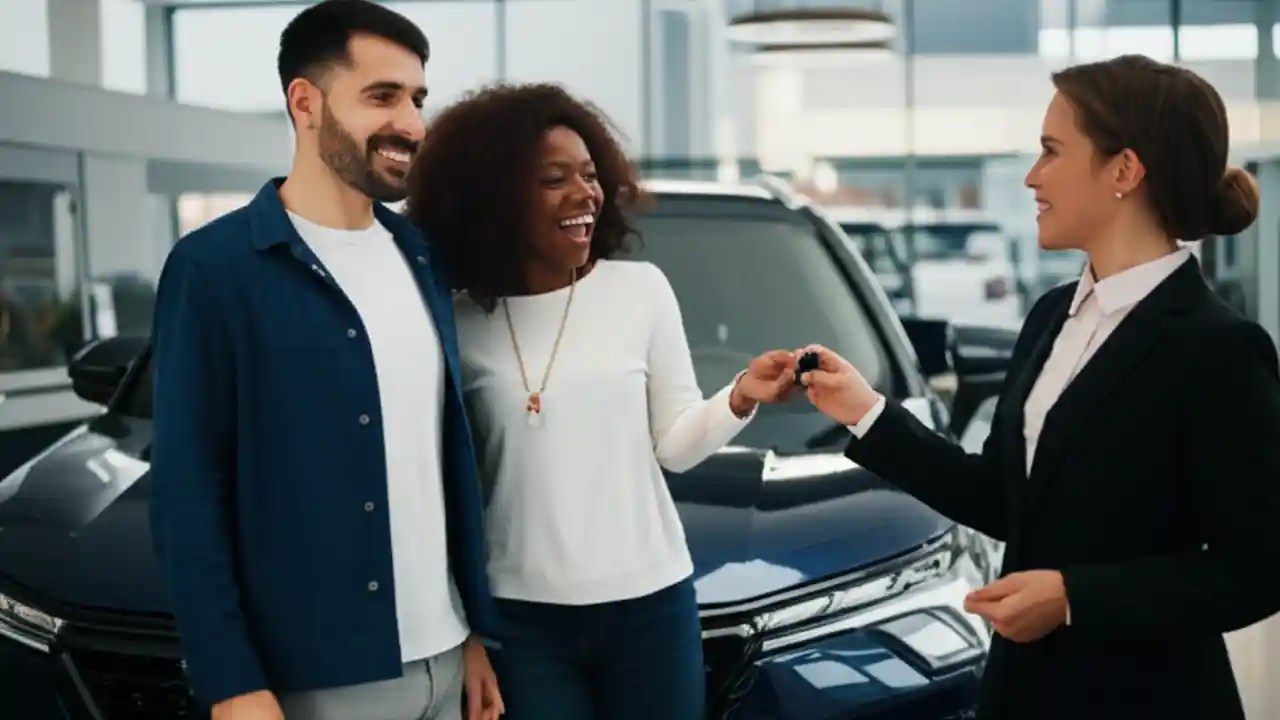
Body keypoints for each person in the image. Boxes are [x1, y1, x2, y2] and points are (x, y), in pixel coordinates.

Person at [799, 54, 1280, 720]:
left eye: (1052, 151)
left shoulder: (1218, 348)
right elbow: (1005, 497)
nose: (1032, 176)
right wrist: (866, 413)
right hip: (1025, 693)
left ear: (1124, 171)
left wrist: (1074, 596)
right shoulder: (1053, 315)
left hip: (1147, 700)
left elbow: (1258, 568)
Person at [149, 2, 503, 719]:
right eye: (382, 96)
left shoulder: (422, 257)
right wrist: (231, 683)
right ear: (304, 103)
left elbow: (435, 463)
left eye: (416, 98)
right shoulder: (214, 270)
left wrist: (470, 634)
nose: (411, 122)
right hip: (314, 682)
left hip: (448, 661)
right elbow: (187, 495)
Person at [403, 83, 796, 720]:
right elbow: (450, 489)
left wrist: (740, 396)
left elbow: (675, 446)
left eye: (590, 175)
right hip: (521, 624)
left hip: (649, 608)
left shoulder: (638, 290)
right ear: (495, 198)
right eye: (554, 179)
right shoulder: (459, 318)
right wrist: (467, 629)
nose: (584, 194)